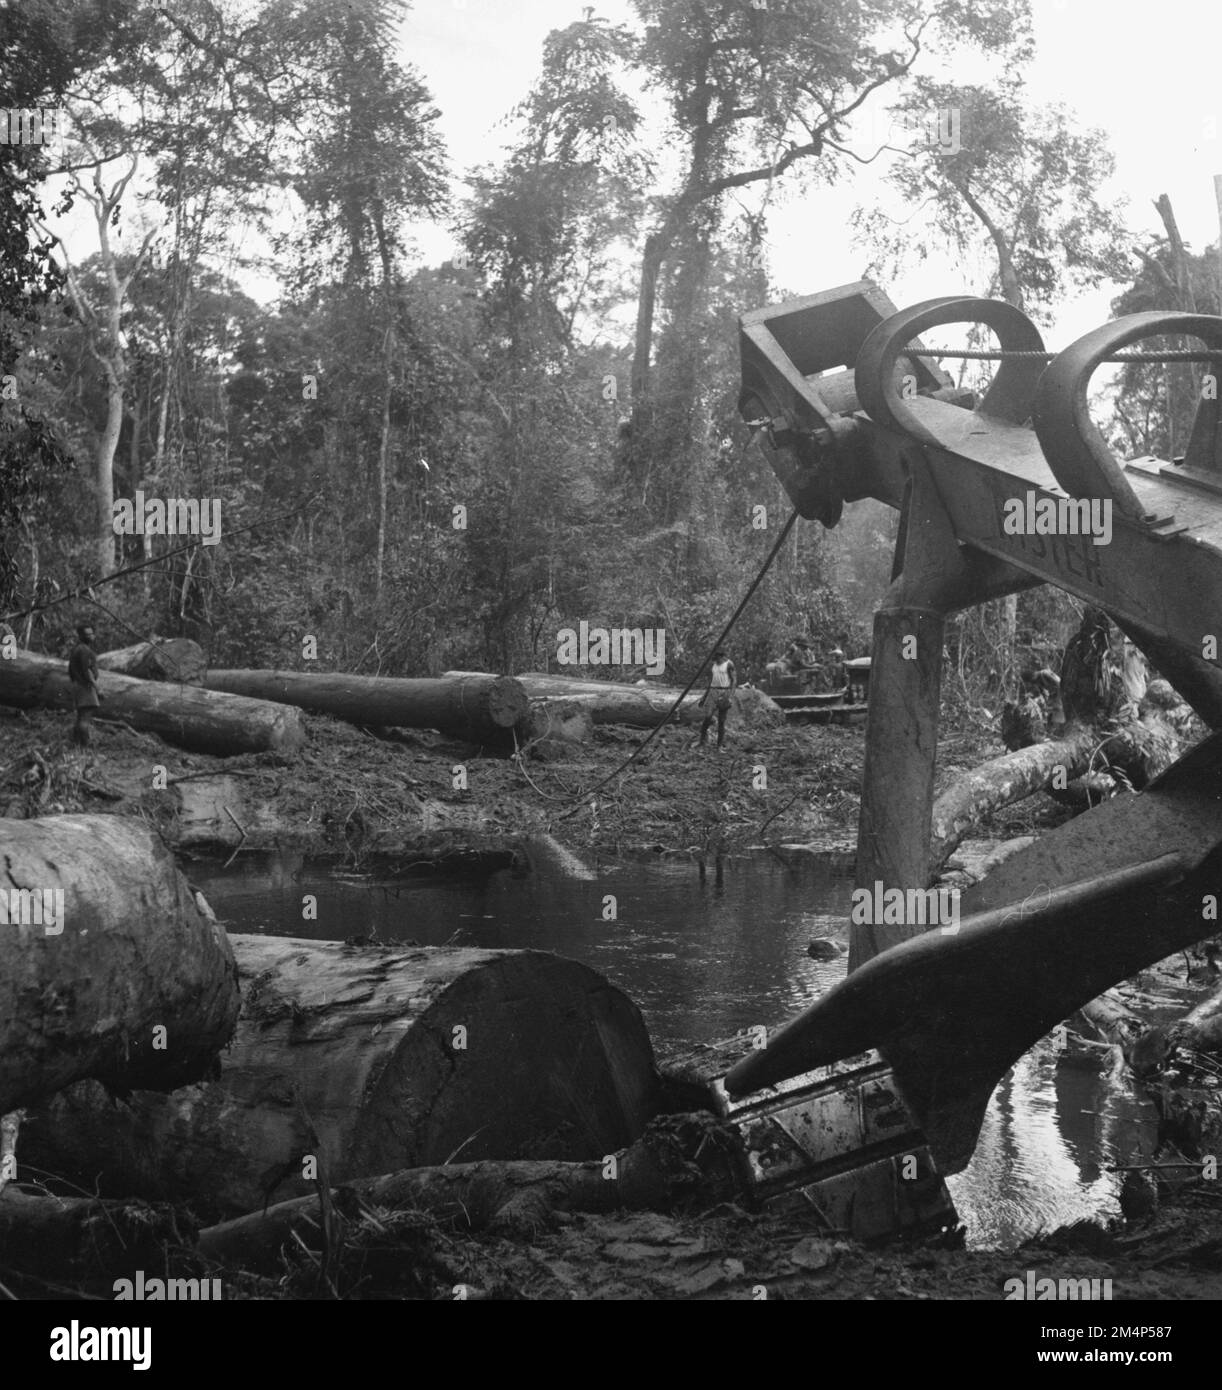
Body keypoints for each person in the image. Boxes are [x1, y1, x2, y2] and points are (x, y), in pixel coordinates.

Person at [67, 622, 102, 747]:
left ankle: (76, 744)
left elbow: (71, 671)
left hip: (77, 686)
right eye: (88, 634)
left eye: (92, 633)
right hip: (85, 687)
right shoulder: (85, 651)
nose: (91, 636)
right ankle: (86, 745)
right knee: (85, 718)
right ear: (81, 636)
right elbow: (87, 671)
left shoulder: (76, 650)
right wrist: (97, 689)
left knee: (80, 717)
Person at [696, 648, 736, 750]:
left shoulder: (729, 664)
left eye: (718, 658)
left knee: (721, 720)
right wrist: (704, 697)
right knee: (707, 717)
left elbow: (734, 681)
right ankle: (702, 741)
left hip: (724, 691)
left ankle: (719, 746)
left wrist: (730, 696)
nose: (716, 661)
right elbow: (711, 681)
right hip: (713, 691)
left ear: (722, 657)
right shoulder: (714, 665)